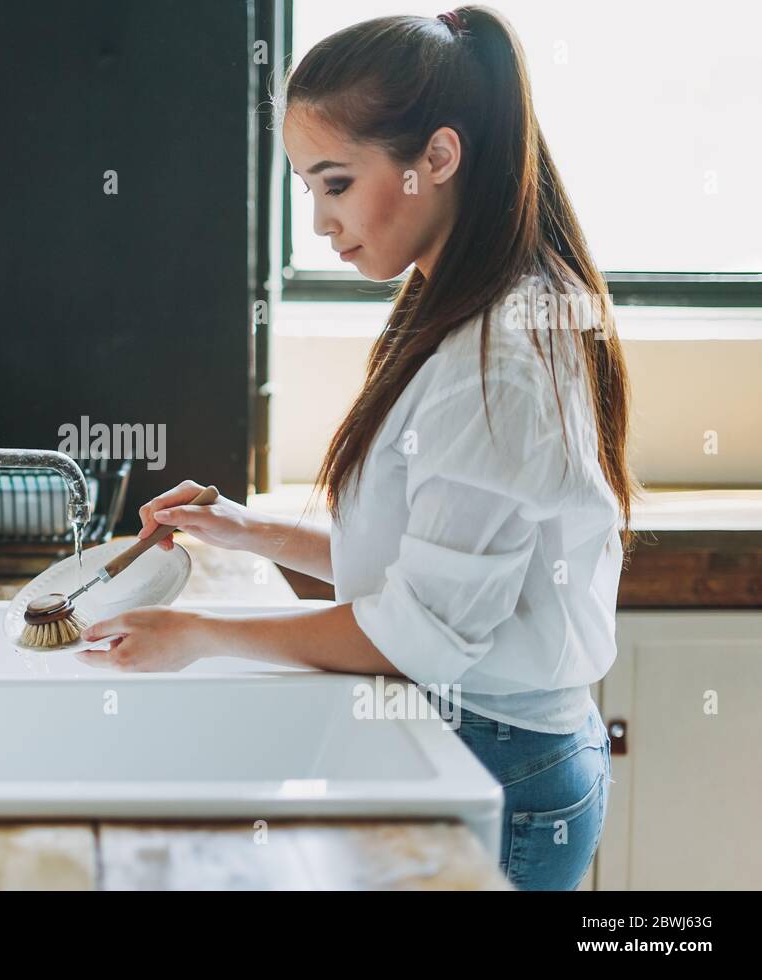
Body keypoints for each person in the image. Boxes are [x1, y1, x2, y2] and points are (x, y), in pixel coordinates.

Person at [78, 6, 632, 891]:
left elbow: (420, 637)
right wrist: (247, 530)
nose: (322, 222)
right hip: (483, 742)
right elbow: (418, 578)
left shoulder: (500, 358)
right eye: (308, 188)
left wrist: (197, 634)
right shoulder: (452, 305)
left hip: (502, 764)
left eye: (336, 182)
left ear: (438, 159)